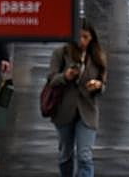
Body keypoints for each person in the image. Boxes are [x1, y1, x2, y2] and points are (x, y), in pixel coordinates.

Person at [46, 20, 107, 177]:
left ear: (92, 38)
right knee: (66, 154)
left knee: (85, 156)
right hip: (64, 110)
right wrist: (65, 76)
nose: (81, 41)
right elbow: (51, 79)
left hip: (87, 111)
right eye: (78, 37)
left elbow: (103, 84)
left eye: (85, 37)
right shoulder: (61, 53)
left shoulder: (98, 57)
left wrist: (98, 85)